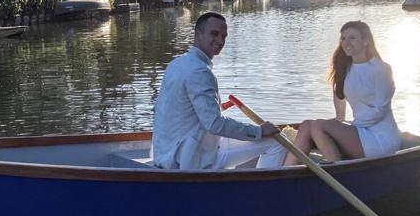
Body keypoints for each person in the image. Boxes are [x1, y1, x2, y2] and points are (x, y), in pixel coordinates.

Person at [152, 12, 287, 170]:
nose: (220, 41)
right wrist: (259, 131)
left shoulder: (176, 64)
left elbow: (181, 109)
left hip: (166, 153)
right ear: (198, 34)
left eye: (224, 36)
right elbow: (214, 124)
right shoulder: (199, 71)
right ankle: (264, 184)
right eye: (214, 34)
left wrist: (217, 108)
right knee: (278, 141)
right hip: (191, 158)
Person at [285, 20, 401, 165]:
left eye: (352, 38)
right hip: (360, 130)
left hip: (379, 138)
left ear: (365, 40)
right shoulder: (346, 68)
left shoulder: (380, 69)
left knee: (318, 125)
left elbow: (380, 109)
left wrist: (350, 126)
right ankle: (284, 171)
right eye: (343, 38)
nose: (347, 43)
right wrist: (339, 122)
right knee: (307, 125)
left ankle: (337, 168)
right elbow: (340, 98)